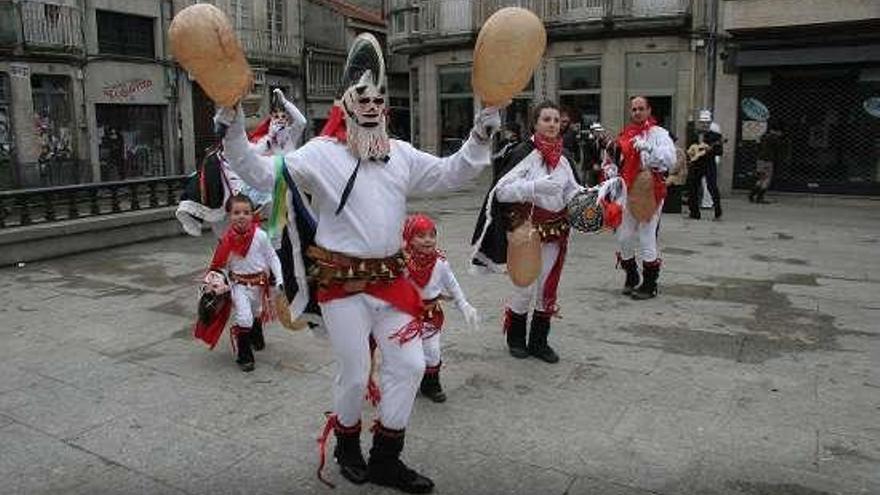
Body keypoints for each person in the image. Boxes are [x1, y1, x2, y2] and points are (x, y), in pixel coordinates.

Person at [217, 33, 500, 493]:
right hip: (342, 287)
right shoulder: (320, 154)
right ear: (345, 104)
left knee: (409, 365)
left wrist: (481, 132)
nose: (371, 105)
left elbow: (453, 172)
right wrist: (233, 126)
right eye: (362, 97)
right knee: (353, 374)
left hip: (391, 282)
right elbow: (260, 174)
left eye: (379, 99)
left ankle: (386, 458)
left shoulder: (401, 155)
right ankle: (348, 446)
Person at [471, 100, 582, 364]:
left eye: (556, 120)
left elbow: (573, 192)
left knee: (546, 288)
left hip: (556, 233)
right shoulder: (523, 152)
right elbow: (500, 192)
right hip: (526, 232)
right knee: (524, 286)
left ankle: (539, 342)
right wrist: (534, 187)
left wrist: (597, 195)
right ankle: (516, 338)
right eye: (547, 119)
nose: (552, 124)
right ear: (535, 123)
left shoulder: (564, 158)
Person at [195, 193, 284, 372]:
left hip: (260, 285)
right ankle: (244, 354)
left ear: (253, 215)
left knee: (257, 311)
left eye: (246, 212)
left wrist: (280, 278)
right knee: (244, 317)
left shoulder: (260, 236)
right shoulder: (226, 241)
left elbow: (272, 257)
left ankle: (255, 334)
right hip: (239, 286)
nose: (241, 216)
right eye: (236, 213)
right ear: (229, 215)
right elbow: (219, 265)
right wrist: (216, 283)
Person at [402, 214, 479, 403]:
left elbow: (452, 285)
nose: (428, 240)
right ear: (409, 238)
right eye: (421, 236)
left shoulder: (440, 262)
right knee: (408, 356)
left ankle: (431, 385)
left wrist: (464, 305)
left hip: (431, 315)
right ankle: (404, 385)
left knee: (433, 352)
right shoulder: (402, 262)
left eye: (432, 235)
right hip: (405, 316)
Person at [605, 96, 676, 300]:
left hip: (650, 188)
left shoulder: (659, 133)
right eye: (634, 109)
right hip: (628, 189)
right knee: (624, 236)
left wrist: (650, 148)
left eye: (641, 108)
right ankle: (632, 274)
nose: (637, 112)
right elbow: (616, 159)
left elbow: (671, 159)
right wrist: (611, 168)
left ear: (649, 110)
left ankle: (650, 284)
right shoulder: (626, 134)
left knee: (646, 235)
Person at [686, 113, 723, 220]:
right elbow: (690, 148)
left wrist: (710, 150)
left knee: (712, 187)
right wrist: (692, 153)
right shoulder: (694, 134)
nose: (704, 125)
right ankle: (694, 213)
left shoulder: (716, 136)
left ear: (710, 123)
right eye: (702, 122)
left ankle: (718, 212)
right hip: (696, 164)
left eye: (707, 123)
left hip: (709, 163)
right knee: (692, 187)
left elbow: (719, 151)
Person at [751, 123, 783, 204]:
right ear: (777, 131)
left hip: (760, 159)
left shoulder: (763, 136)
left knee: (760, 178)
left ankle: (752, 195)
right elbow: (777, 151)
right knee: (766, 179)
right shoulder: (775, 139)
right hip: (768, 160)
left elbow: (757, 146)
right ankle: (760, 197)